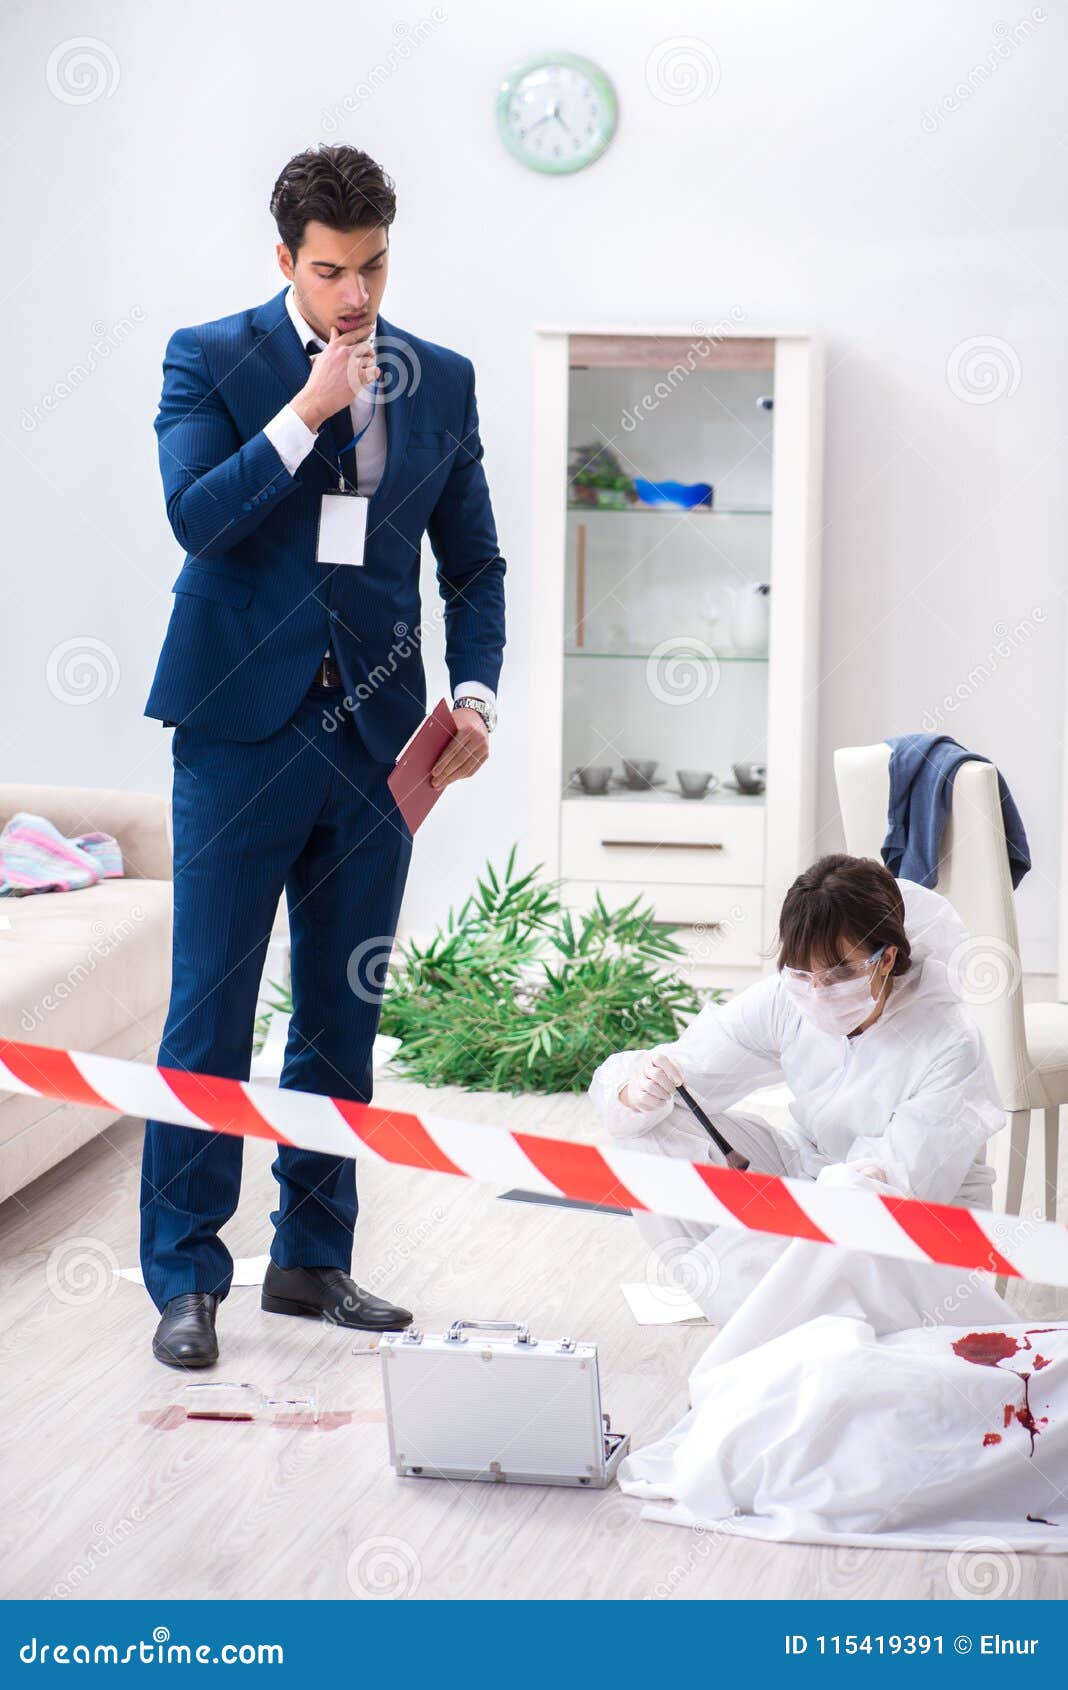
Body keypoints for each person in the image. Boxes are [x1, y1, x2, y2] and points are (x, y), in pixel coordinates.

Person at [140, 144, 506, 1369]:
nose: (357, 296)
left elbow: (475, 566)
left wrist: (473, 695)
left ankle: (311, 1258)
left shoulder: (443, 379)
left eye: (376, 268)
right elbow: (198, 518)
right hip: (238, 735)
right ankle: (186, 1277)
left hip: (375, 743)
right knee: (209, 1012)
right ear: (286, 260)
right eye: (333, 271)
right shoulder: (209, 358)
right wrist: (308, 410)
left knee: (342, 1012)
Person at [589, 854, 1006, 1325]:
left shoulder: (948, 1041)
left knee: (844, 1204)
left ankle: (760, 1309)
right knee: (651, 1130)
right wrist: (639, 1086)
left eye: (840, 974)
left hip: (915, 1229)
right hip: (814, 1180)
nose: (818, 991)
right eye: (802, 973)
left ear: (887, 958)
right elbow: (692, 1065)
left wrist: (761, 1239)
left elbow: (894, 1186)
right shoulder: (788, 998)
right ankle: (744, 1306)